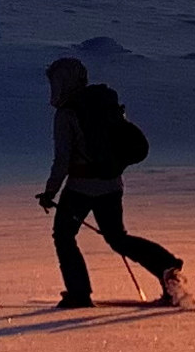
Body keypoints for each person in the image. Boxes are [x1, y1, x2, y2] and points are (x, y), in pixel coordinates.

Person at [37, 55, 186, 308]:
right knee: (117, 238)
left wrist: (50, 191)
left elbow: (62, 159)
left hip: (80, 187)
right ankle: (165, 266)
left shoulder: (67, 113)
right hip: (111, 185)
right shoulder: (104, 103)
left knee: (63, 235)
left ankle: (79, 294)